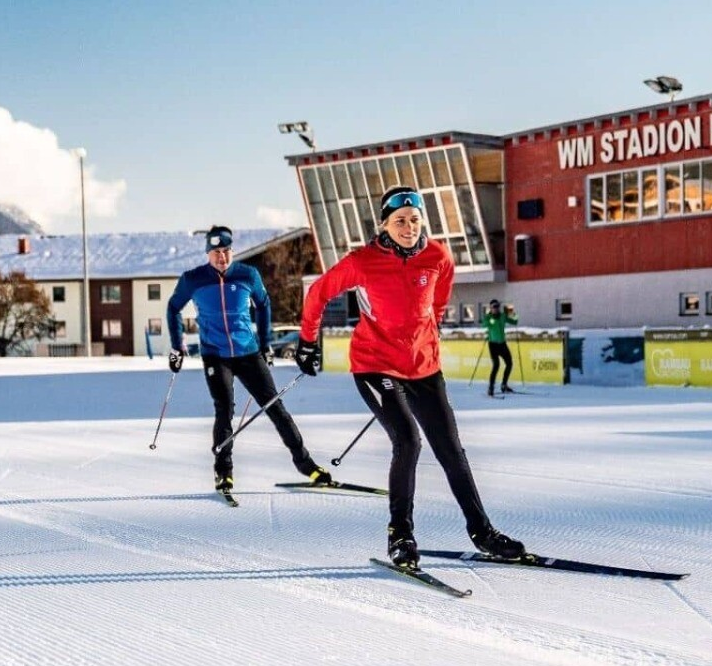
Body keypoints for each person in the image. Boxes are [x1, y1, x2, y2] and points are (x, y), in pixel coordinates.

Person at [294, 187, 526, 573]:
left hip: (423, 366)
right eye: (399, 220)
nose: (408, 227)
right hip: (374, 364)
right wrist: (307, 341)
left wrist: (424, 332)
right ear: (384, 224)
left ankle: (482, 532)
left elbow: (437, 302)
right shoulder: (363, 262)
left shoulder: (438, 257)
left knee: (451, 449)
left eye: (414, 220)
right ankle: (400, 535)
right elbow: (318, 293)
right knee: (407, 441)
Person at [168, 225, 331, 494]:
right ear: (208, 253)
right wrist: (177, 347)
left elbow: (264, 304)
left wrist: (266, 344)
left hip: (248, 353)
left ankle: (307, 465)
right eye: (216, 252)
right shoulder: (193, 279)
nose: (222, 257)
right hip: (215, 355)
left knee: (276, 408)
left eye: (226, 251)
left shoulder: (247, 274)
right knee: (224, 410)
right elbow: (173, 308)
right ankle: (224, 473)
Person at [482, 297, 518, 395]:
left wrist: (513, 314)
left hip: (502, 344)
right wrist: (490, 320)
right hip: (493, 345)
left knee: (509, 363)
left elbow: (515, 322)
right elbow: (483, 325)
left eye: (497, 306)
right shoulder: (488, 317)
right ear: (491, 308)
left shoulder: (503, 316)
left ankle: (504, 385)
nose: (496, 308)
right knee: (496, 365)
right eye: (494, 307)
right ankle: (491, 388)